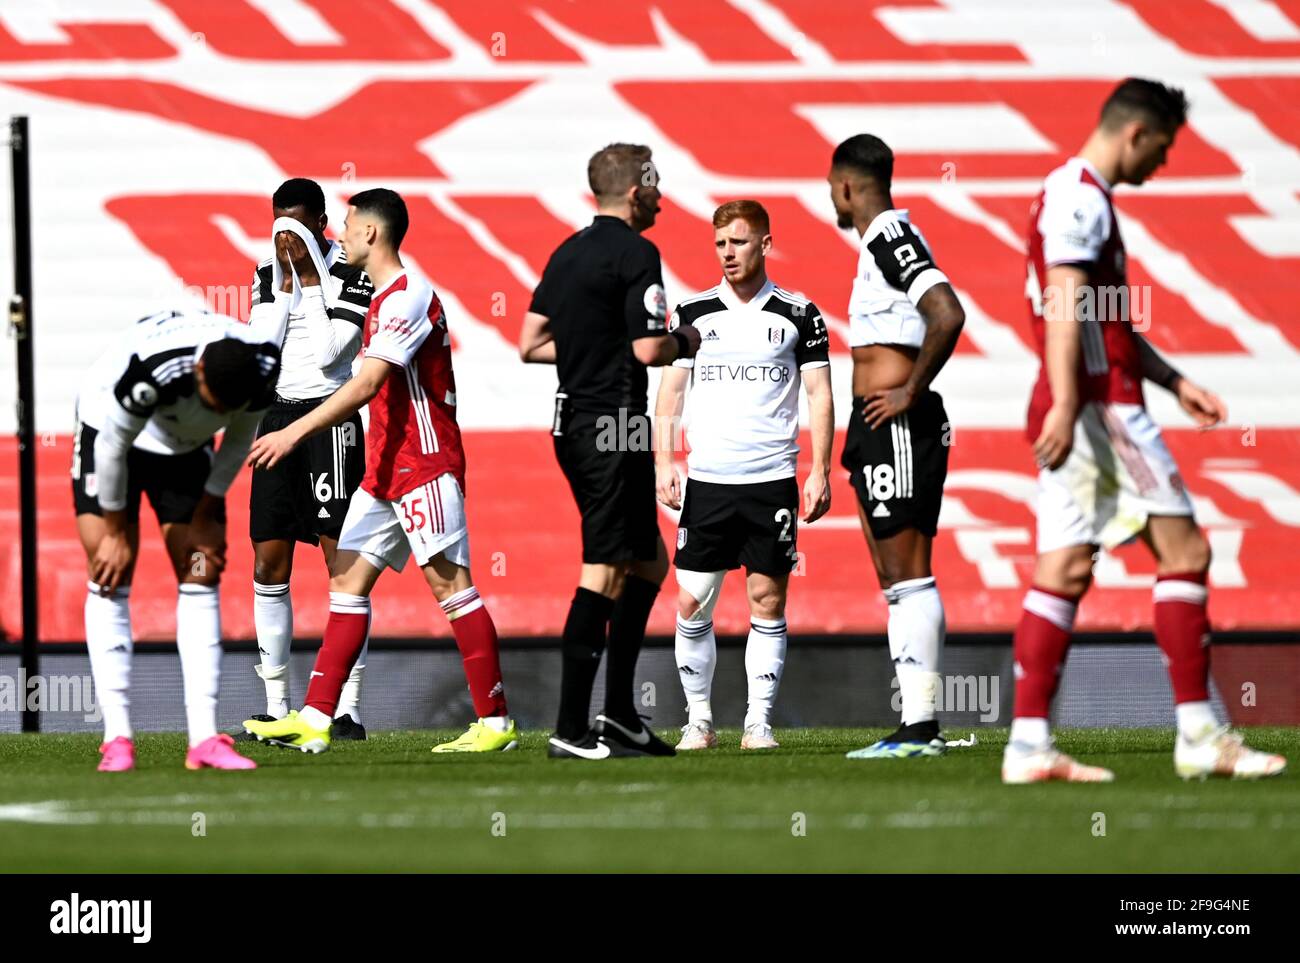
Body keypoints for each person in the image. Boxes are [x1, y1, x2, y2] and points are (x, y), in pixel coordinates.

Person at [1004, 77, 1285, 783]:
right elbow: (1066, 301)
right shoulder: (1080, 197)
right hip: (1100, 408)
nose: (1161, 164)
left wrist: (1175, 382)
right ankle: (1197, 733)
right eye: (1161, 149)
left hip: (1085, 400)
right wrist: (1072, 402)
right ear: (1135, 133)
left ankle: (1028, 745)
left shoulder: (1068, 193)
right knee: (1185, 552)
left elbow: (1107, 323)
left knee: (1063, 570)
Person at [243, 188, 516, 754]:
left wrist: (292, 432)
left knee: (452, 587)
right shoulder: (382, 295)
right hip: (384, 467)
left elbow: (365, 384)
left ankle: (495, 721)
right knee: (346, 582)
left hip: (424, 462)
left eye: (345, 225)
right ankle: (318, 717)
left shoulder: (407, 296)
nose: (337, 235)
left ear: (371, 232)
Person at [518, 143, 701, 759]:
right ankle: (571, 729)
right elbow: (651, 350)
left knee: (648, 563)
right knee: (603, 568)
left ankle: (619, 714)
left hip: (574, 423)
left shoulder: (567, 252)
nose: (659, 196)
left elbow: (530, 341)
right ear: (632, 193)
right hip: (611, 428)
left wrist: (591, 349)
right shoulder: (637, 252)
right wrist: (688, 338)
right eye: (653, 186)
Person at [655, 199, 833, 751]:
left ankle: (758, 722)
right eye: (719, 244)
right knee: (691, 602)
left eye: (737, 242)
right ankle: (699, 720)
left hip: (772, 479)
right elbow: (671, 393)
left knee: (768, 600)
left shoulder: (799, 314)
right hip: (708, 481)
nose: (727, 253)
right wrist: (663, 461)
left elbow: (820, 395)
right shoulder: (693, 311)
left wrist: (820, 470)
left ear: (765, 243)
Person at [73, 308, 281, 771]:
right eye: (212, 403)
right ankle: (118, 738)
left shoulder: (261, 369)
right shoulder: (154, 371)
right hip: (111, 433)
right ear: (198, 371)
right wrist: (114, 531)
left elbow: (236, 442)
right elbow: (110, 445)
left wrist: (207, 512)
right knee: (110, 571)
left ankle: (205, 739)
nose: (218, 413)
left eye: (226, 408)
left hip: (185, 452)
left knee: (201, 570)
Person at [826, 134, 967, 759]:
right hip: (874, 423)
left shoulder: (888, 236)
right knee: (893, 578)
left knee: (909, 575)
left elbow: (948, 312)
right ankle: (913, 726)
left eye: (833, 186)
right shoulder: (876, 244)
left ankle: (921, 727)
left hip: (898, 423)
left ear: (849, 186)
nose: (831, 197)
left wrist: (910, 390)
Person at [241, 177, 374, 739]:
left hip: (330, 419)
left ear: (321, 223)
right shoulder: (265, 274)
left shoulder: (351, 271)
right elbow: (262, 348)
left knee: (341, 566)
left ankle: (346, 707)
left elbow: (333, 351)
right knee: (268, 562)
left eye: (295, 224)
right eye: (276, 223)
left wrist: (312, 278)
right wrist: (285, 282)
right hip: (277, 421)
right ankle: (277, 705)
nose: (284, 236)